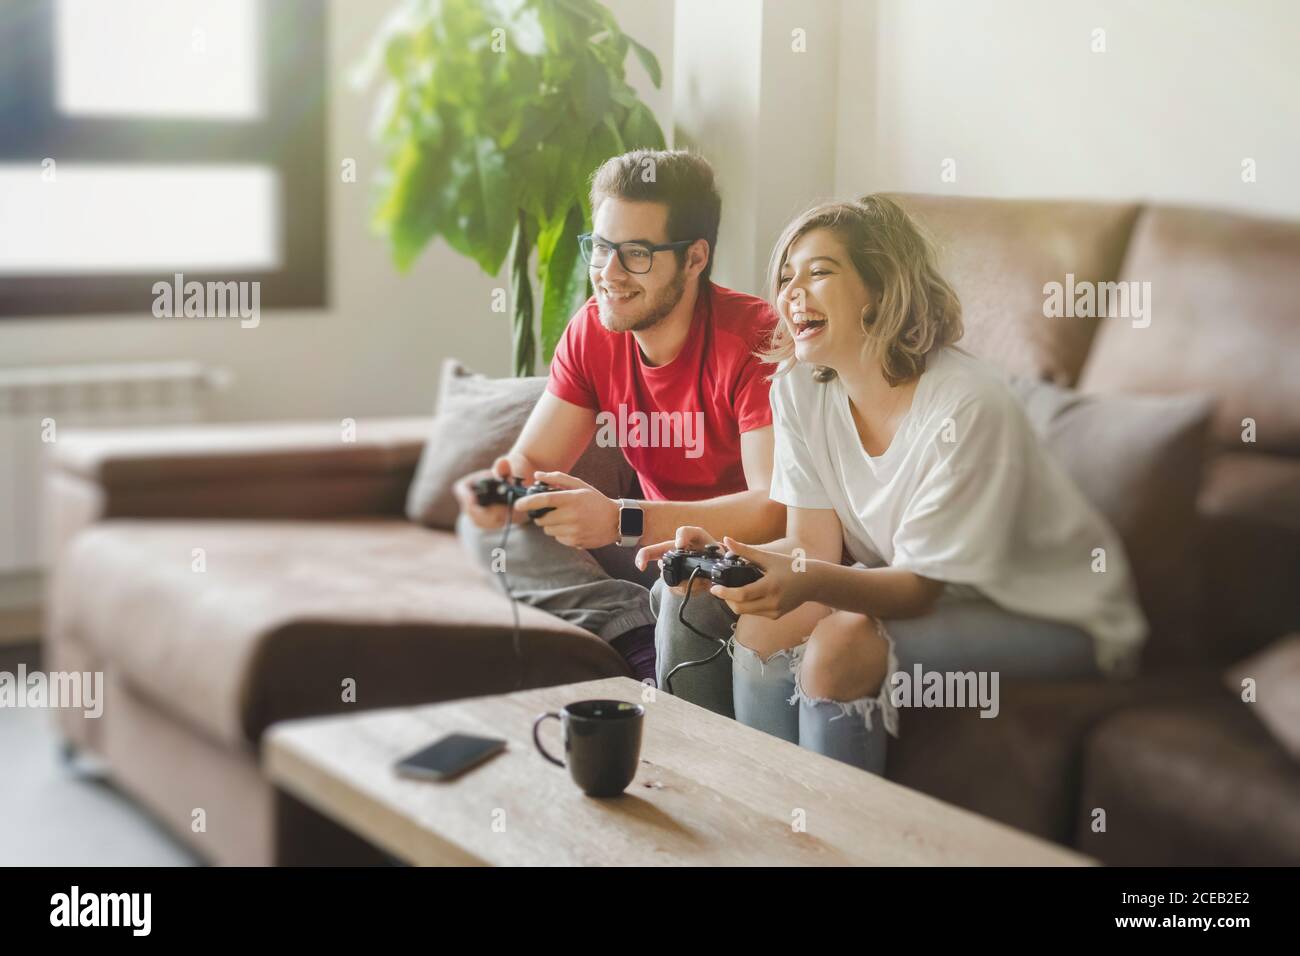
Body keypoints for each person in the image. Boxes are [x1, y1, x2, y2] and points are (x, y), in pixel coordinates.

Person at [638, 195, 1147, 772]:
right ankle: (770, 827)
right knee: (760, 621)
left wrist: (802, 582)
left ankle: (839, 849)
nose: (792, 292)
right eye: (785, 277)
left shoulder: (966, 405)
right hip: (924, 585)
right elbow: (811, 549)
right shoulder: (799, 390)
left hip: (1054, 614)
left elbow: (918, 589)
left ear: (880, 288)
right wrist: (733, 557)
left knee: (839, 647)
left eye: (820, 272)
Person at [453, 149, 783, 686]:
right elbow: (534, 459)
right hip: (651, 556)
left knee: (684, 581)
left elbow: (774, 510)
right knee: (489, 535)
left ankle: (647, 625)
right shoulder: (593, 332)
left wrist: (621, 519)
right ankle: (635, 637)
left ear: (695, 258)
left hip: (737, 562)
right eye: (601, 247)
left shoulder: (752, 339)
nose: (608, 273)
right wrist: (506, 490)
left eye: (636, 253)